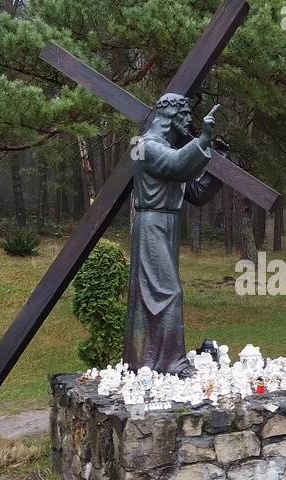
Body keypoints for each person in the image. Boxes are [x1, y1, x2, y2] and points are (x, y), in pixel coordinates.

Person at [124, 94, 223, 378]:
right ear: (168, 114)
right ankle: (171, 363)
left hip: (166, 224)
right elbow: (177, 164)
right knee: (168, 292)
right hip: (152, 223)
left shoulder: (165, 149)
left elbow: (196, 192)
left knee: (158, 294)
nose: (188, 122)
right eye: (185, 115)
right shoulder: (144, 146)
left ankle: (151, 362)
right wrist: (203, 140)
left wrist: (220, 164)